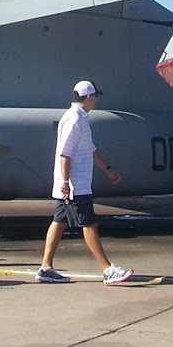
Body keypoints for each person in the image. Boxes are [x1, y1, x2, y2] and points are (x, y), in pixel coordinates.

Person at [37, 80, 132, 285]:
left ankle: (46, 268)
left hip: (74, 184)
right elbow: (65, 153)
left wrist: (107, 169)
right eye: (95, 96)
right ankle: (108, 270)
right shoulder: (74, 120)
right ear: (88, 97)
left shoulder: (80, 118)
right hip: (75, 186)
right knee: (89, 224)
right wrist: (65, 182)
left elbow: (89, 149)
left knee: (60, 221)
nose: (96, 99)